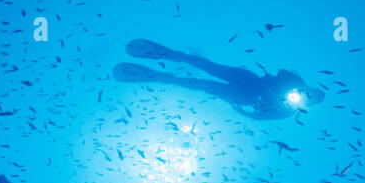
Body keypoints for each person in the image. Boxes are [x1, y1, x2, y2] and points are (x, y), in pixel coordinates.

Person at [113, 39, 325, 121]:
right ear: (311, 88)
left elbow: (262, 118)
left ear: (310, 104)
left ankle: (160, 76)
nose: (306, 96)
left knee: (202, 86)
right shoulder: (296, 81)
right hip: (249, 79)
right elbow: (282, 71)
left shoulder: (290, 111)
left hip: (242, 97)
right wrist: (295, 84)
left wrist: (244, 113)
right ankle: (174, 55)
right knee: (210, 66)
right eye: (311, 92)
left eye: (311, 99)